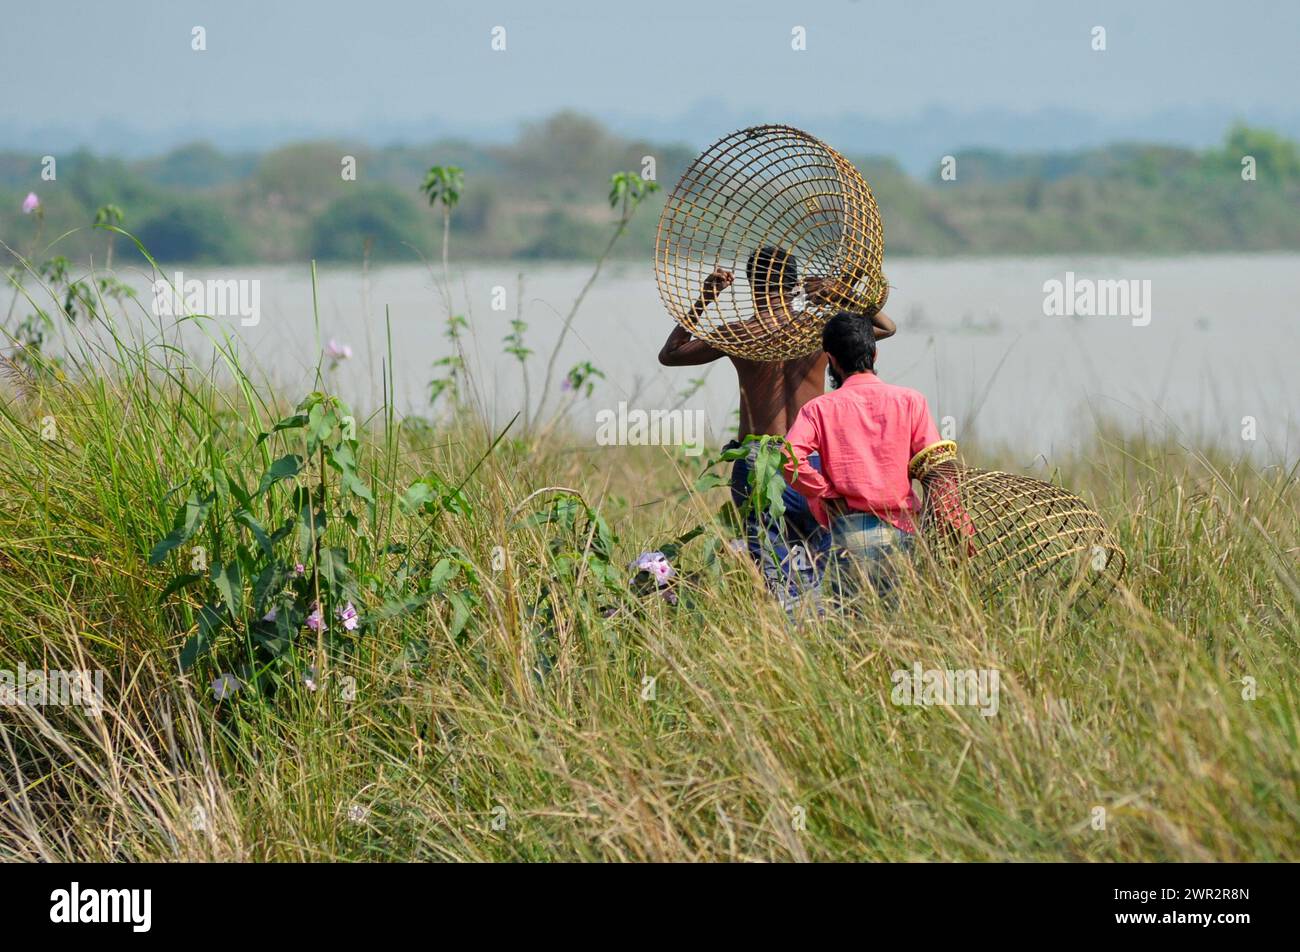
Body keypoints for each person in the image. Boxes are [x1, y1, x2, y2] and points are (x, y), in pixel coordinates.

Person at [658, 247, 895, 604]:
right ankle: (817, 627)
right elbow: (885, 328)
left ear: (752, 287)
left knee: (769, 566)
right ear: (795, 285)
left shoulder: (740, 334)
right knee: (822, 558)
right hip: (812, 459)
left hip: (758, 462)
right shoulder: (820, 331)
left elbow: (671, 354)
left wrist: (706, 298)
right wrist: (836, 294)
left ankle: (780, 628)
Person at [781, 312, 942, 603]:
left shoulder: (818, 409)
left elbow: (790, 459)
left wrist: (826, 492)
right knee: (904, 627)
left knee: (854, 629)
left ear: (830, 359)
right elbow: (937, 465)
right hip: (903, 532)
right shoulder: (911, 401)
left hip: (849, 533)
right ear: (875, 354)